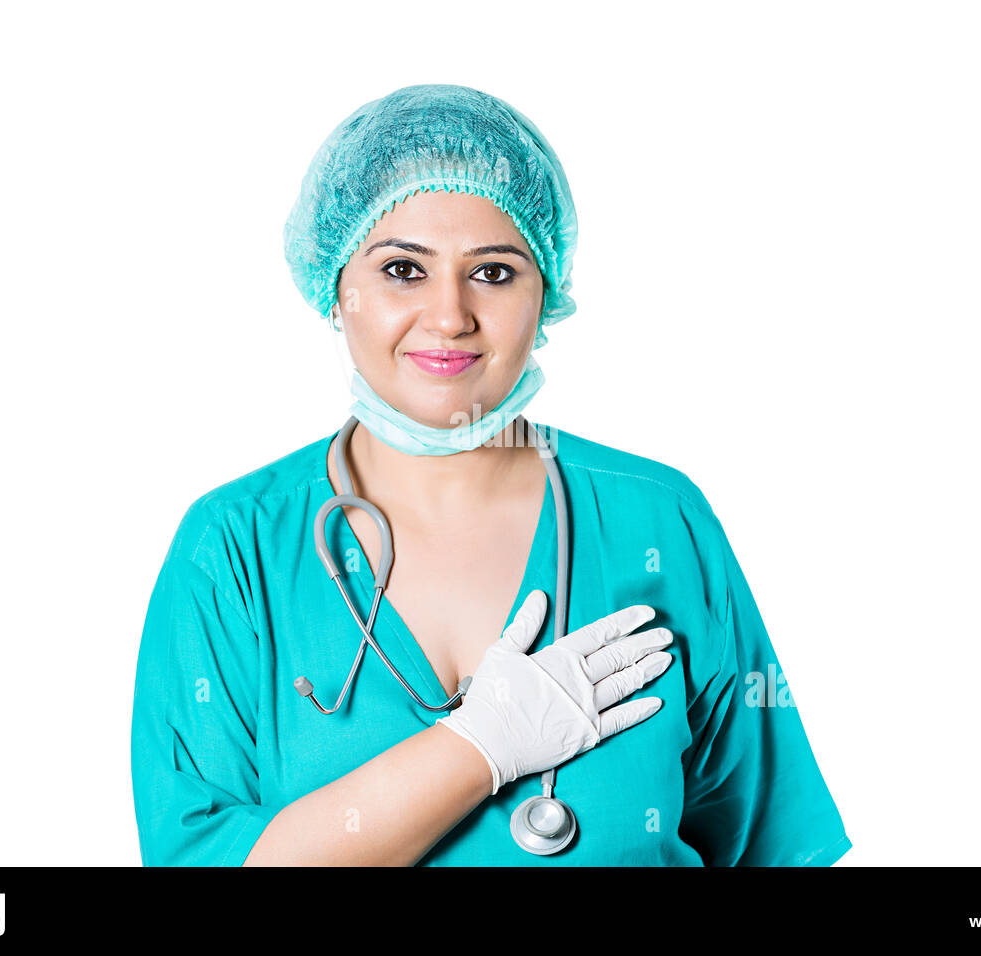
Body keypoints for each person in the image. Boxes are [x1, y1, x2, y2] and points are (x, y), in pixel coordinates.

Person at [129, 83, 851, 867]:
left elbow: (772, 849)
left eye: (495, 273)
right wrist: (478, 748)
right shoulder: (233, 549)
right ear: (334, 286)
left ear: (548, 295)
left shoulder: (659, 522)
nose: (449, 316)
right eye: (403, 269)